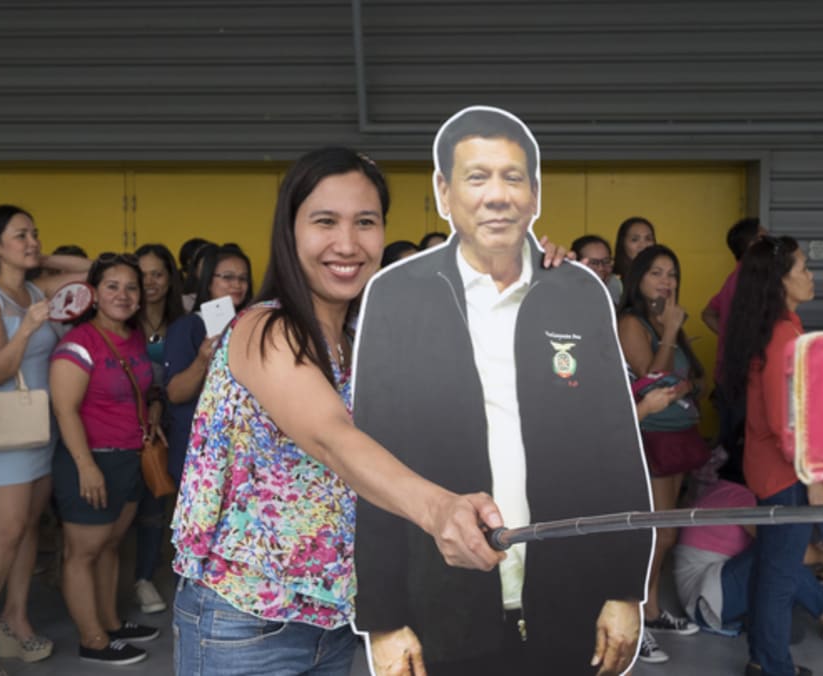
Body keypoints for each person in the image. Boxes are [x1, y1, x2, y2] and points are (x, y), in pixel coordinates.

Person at [170, 146, 511, 676]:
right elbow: (332, 437)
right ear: (290, 230)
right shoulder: (266, 328)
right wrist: (439, 510)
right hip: (246, 621)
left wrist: (537, 273)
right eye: (325, 221)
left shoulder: (360, 341)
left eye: (366, 223)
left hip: (333, 620)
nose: (347, 244)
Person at [353, 106, 651, 676]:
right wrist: (384, 619)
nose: (497, 195)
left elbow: (615, 450)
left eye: (513, 177)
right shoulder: (398, 297)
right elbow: (372, 467)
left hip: (570, 601)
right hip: (442, 606)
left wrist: (623, 589)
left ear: (535, 195)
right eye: (476, 177)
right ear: (444, 191)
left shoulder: (576, 293)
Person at [0, 205, 89, 675]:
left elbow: (96, 272)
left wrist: (42, 256)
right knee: (6, 532)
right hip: (2, 430)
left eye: (34, 233)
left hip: (39, 426)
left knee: (30, 526)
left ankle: (15, 619)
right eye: (20, 235)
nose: (31, 241)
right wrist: (30, 325)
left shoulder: (35, 289)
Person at [720, 234, 823, 676]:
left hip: (771, 469)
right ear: (780, 282)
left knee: (772, 570)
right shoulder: (784, 334)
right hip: (783, 473)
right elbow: (789, 422)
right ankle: (774, 666)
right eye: (802, 268)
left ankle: (764, 661)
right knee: (780, 576)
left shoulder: (781, 327)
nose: (811, 275)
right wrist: (816, 478)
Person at [49, 254, 163, 665]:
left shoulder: (131, 336)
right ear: (93, 294)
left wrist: (151, 412)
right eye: (112, 286)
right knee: (83, 552)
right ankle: (93, 639)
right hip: (92, 459)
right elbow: (65, 410)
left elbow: (144, 387)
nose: (123, 294)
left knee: (111, 544)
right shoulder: (79, 343)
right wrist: (85, 466)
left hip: (130, 458)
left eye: (131, 287)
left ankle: (112, 623)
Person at [616, 245, 706, 653]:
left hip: (677, 438)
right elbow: (653, 378)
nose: (666, 281)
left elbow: (687, 378)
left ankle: (651, 610)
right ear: (638, 279)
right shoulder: (633, 322)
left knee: (667, 534)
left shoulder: (664, 319)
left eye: (672, 274)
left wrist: (687, 386)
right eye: (656, 272)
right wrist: (670, 331)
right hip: (649, 438)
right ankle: (634, 621)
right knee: (654, 534)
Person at [673, 477, 823, 649]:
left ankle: (765, 621)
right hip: (705, 598)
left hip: (712, 592)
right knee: (781, 551)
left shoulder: (724, 489)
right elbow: (788, 549)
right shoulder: (741, 497)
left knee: (791, 628)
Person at [162, 243, 253, 483]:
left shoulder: (253, 324)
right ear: (208, 281)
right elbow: (175, 393)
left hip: (243, 447)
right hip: (200, 450)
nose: (237, 284)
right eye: (227, 277)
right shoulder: (188, 327)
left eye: (243, 278)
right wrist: (203, 359)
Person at [129, 243, 186, 615]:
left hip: (176, 418)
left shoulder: (185, 321)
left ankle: (160, 575)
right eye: (142, 274)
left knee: (170, 499)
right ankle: (139, 577)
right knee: (136, 504)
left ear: (170, 280)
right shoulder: (122, 317)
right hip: (132, 419)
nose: (150, 282)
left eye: (158, 274)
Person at [703, 217, 765, 485]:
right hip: (743, 378)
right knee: (740, 453)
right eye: (765, 238)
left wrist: (729, 338)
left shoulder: (733, 277)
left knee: (731, 446)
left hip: (727, 375)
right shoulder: (750, 280)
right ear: (754, 244)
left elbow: (708, 313)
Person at [609, 216, 657, 303]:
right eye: (635, 240)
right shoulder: (614, 281)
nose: (643, 245)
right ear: (622, 244)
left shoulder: (660, 277)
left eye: (648, 239)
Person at [570, 234, 616, 302]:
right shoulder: (565, 299)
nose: (601, 268)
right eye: (593, 262)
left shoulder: (613, 303)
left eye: (606, 261)